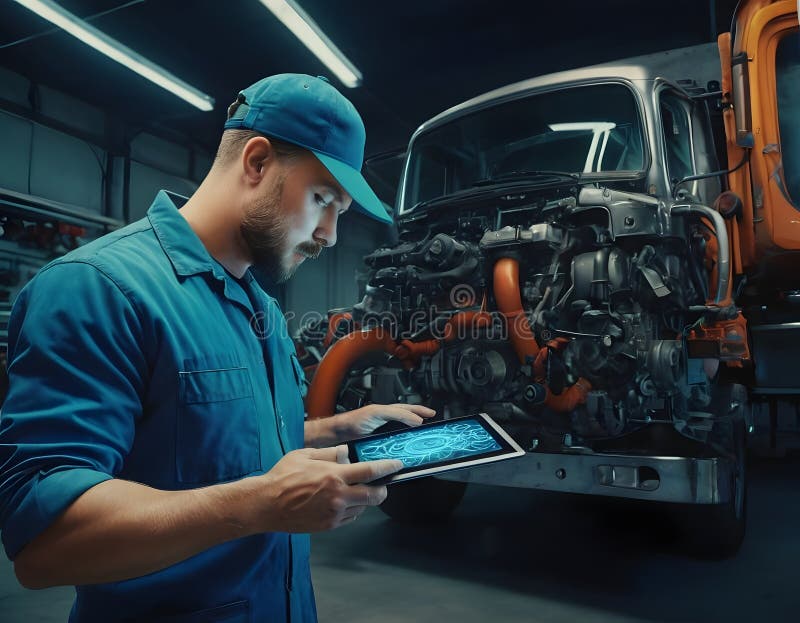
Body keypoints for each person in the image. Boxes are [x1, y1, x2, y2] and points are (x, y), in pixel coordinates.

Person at [0, 73, 434, 622]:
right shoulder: (97, 289)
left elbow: (207, 441)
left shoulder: (265, 313)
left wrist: (336, 429)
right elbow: (46, 545)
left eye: (339, 214)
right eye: (323, 199)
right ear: (256, 163)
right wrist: (258, 506)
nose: (329, 234)